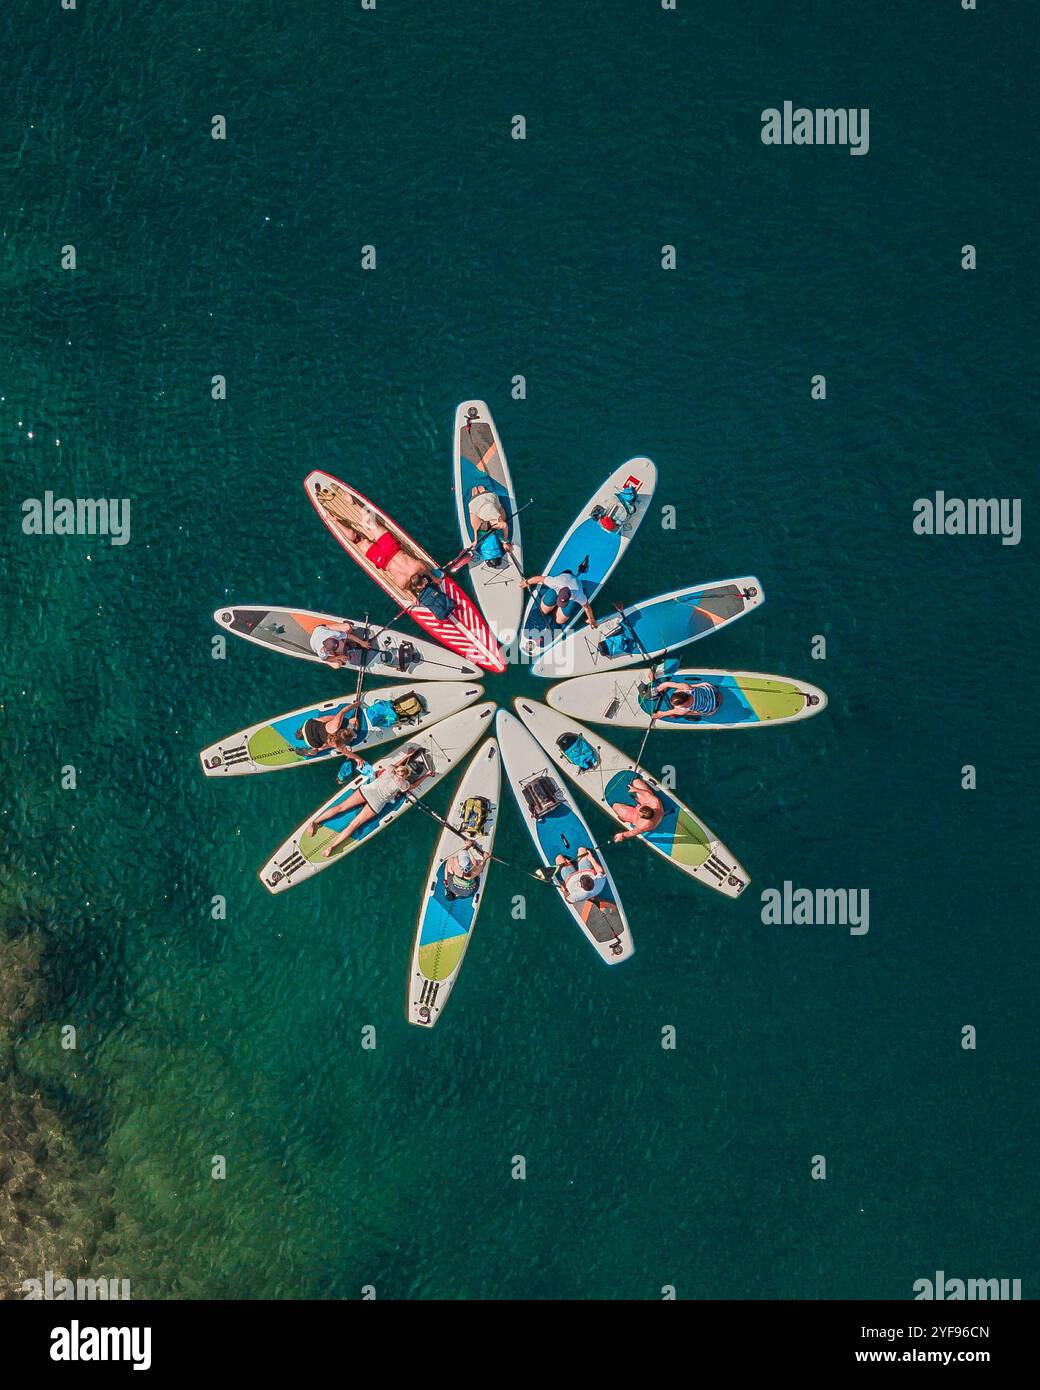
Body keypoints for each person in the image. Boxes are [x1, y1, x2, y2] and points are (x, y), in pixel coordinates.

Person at [308, 744, 427, 857]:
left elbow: (396, 764)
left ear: (399, 769)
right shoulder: (404, 784)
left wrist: (406, 755)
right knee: (354, 824)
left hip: (366, 791)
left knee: (341, 807)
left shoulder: (391, 769)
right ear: (405, 776)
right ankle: (332, 847)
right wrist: (427, 775)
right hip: (376, 804)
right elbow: (414, 785)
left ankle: (314, 822)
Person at [314, 482, 430, 592]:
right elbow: (405, 588)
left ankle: (354, 504)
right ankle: (335, 522)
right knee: (357, 540)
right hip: (384, 562)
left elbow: (427, 572)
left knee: (373, 525)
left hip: (392, 549)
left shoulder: (418, 566)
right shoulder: (402, 583)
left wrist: (435, 578)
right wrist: (413, 595)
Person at [520, 570, 597, 630]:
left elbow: (587, 607)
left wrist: (591, 619)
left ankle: (557, 612)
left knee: (559, 621)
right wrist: (526, 582)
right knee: (543, 610)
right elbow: (540, 579)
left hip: (572, 595)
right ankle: (552, 604)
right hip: (559, 585)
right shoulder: (555, 581)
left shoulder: (578, 595)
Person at [295, 702, 361, 758]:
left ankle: (302, 733)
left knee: (324, 721)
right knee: (321, 747)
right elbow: (347, 753)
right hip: (310, 739)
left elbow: (342, 711)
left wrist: (355, 705)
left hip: (309, 726)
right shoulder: (335, 744)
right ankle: (307, 751)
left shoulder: (333, 727)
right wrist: (358, 759)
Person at [649, 679, 721, 722]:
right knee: (689, 687)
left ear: (684, 704)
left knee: (692, 712)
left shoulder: (683, 710)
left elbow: (667, 713)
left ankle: (711, 710)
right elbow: (667, 684)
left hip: (713, 706)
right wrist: (658, 689)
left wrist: (660, 714)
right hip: (712, 691)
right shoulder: (686, 687)